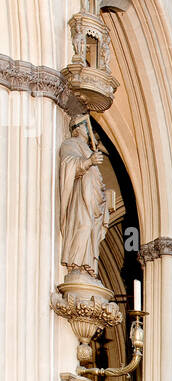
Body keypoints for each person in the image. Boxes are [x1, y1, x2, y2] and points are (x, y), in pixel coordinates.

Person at [58, 114, 110, 278]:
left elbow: (96, 178)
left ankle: (87, 267)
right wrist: (88, 162)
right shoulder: (70, 144)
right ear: (77, 128)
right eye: (86, 126)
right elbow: (69, 163)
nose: (89, 130)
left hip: (92, 197)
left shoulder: (90, 149)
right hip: (80, 196)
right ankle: (75, 264)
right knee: (84, 225)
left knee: (92, 232)